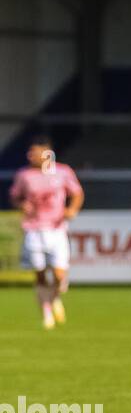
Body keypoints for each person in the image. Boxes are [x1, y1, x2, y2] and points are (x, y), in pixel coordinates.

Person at [8, 136, 84, 329]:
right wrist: (21, 205)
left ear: (47, 153)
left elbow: (77, 193)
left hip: (56, 228)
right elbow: (15, 197)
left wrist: (72, 210)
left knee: (59, 275)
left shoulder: (63, 172)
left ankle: (55, 297)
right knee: (40, 273)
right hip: (33, 229)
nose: (30, 155)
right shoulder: (24, 175)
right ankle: (47, 313)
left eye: (35, 151)